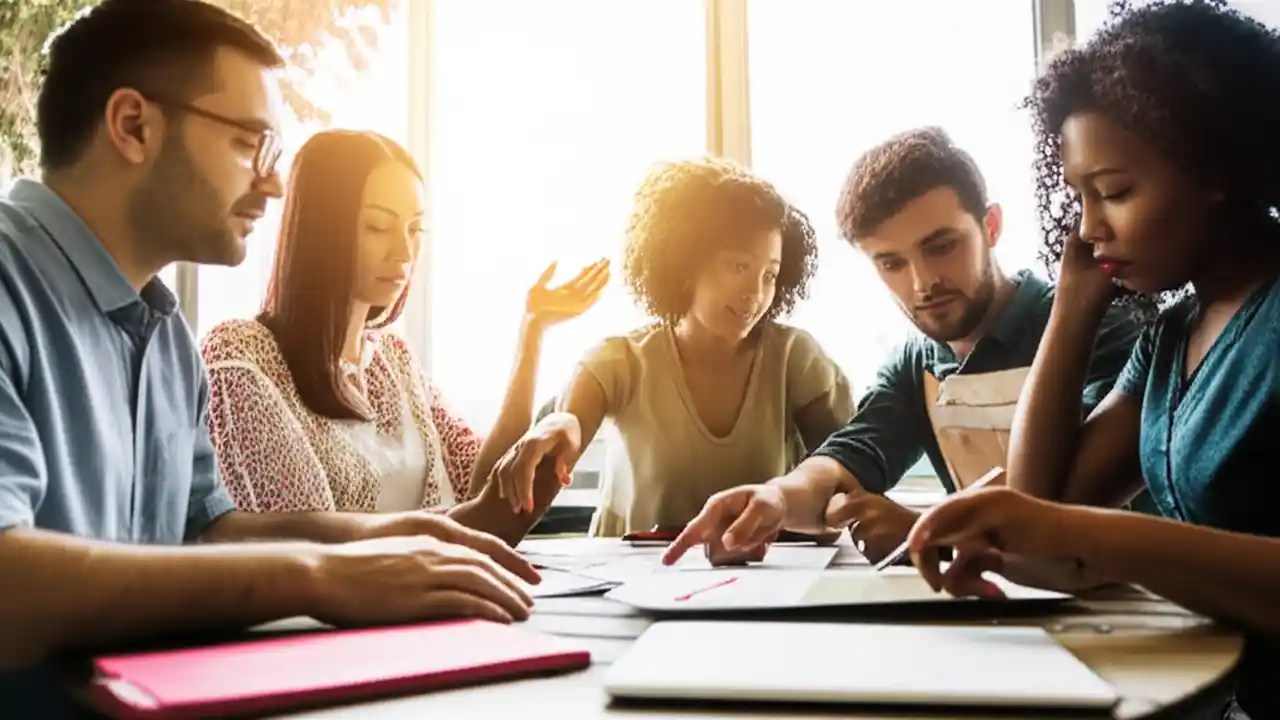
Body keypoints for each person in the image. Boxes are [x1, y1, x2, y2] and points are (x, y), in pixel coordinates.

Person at [0, 2, 544, 708]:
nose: (276, 183)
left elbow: (205, 531)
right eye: (250, 143)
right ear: (133, 125)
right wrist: (318, 574)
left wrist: (378, 537)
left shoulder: (164, 334)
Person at [906, 3, 1280, 717]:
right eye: (1078, 196)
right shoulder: (1173, 338)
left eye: (1113, 192)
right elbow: (1042, 501)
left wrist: (1083, 537)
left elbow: (1060, 525)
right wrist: (1074, 308)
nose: (1088, 227)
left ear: (1215, 167)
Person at [658, 128, 1140, 565]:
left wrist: (923, 529)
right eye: (891, 263)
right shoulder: (915, 364)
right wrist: (777, 499)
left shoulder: (1095, 320)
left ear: (990, 227)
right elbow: (844, 460)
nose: (923, 282)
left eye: (941, 246)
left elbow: (1065, 484)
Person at [201, 130, 607, 546]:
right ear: (321, 228)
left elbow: (484, 485)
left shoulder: (392, 358)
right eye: (378, 227)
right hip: (337, 610)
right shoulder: (241, 357)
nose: (404, 252)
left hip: (435, 599)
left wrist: (533, 334)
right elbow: (310, 549)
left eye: (415, 230)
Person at [491, 157, 855, 536]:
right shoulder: (619, 362)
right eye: (738, 267)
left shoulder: (795, 359)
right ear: (685, 266)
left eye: (770, 275)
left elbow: (845, 477)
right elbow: (563, 432)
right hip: (628, 583)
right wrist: (558, 422)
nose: (756, 294)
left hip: (759, 583)